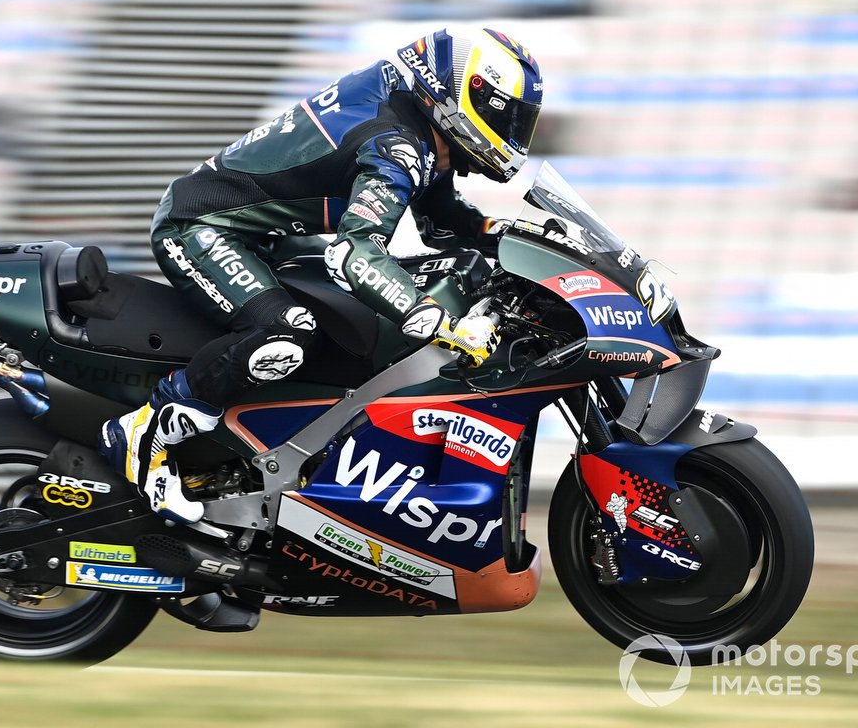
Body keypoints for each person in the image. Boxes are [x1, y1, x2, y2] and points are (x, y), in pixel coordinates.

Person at [100, 27, 544, 524]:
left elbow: (439, 219)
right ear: (466, 96)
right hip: (202, 227)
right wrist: (436, 319)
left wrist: (516, 236)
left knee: (345, 326)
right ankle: (146, 431)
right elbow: (354, 255)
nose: (513, 135)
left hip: (267, 234)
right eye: (507, 117)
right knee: (287, 333)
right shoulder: (395, 143)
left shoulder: (415, 119)